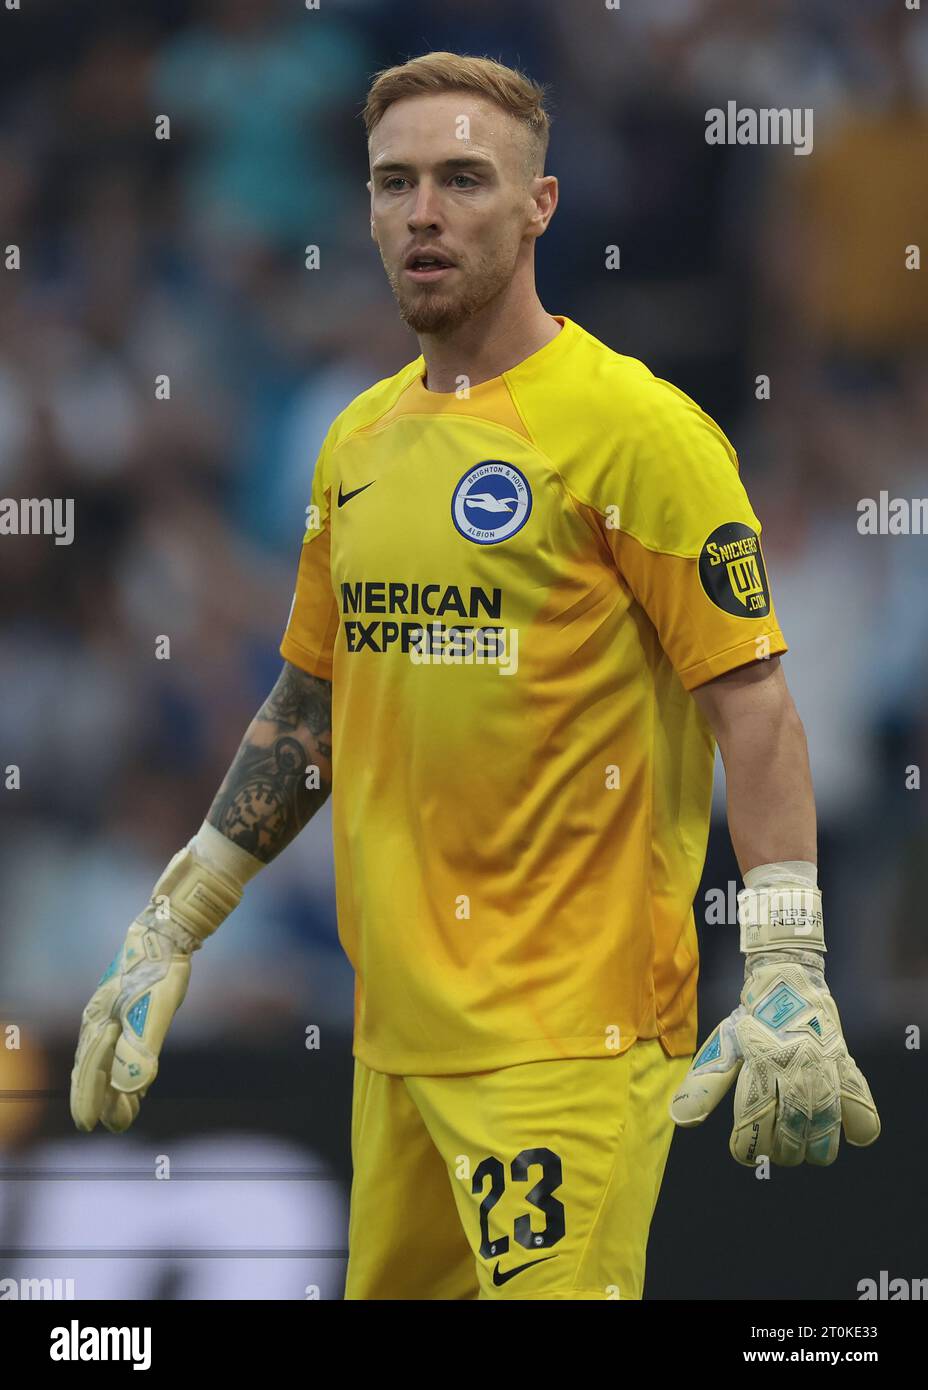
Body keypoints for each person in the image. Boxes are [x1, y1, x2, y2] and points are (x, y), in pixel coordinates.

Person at [71, 52, 880, 1301]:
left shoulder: (640, 429)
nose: (424, 213)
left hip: (571, 1046)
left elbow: (752, 704)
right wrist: (176, 916)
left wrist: (785, 959)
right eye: (395, 183)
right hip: (395, 1049)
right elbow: (315, 699)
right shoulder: (357, 437)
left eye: (463, 179)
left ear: (540, 206)